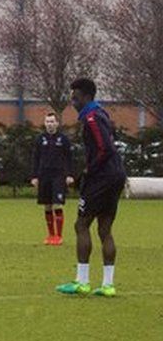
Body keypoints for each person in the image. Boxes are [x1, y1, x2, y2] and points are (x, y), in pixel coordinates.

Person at [57, 78, 126, 297]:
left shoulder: (92, 118)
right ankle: (108, 285)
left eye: (75, 97)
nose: (72, 101)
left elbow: (104, 149)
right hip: (115, 175)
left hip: (103, 177)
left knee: (81, 224)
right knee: (105, 228)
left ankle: (82, 281)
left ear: (86, 96)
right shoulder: (102, 114)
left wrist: (88, 171)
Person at [30, 112, 74, 246]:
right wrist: (34, 176)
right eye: (47, 122)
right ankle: (50, 235)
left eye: (52, 121)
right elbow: (35, 159)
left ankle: (59, 236)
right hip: (44, 176)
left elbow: (69, 158)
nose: (50, 124)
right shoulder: (40, 139)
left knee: (57, 203)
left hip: (59, 176)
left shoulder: (63, 139)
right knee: (47, 205)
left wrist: (69, 174)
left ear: (57, 123)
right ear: (45, 123)